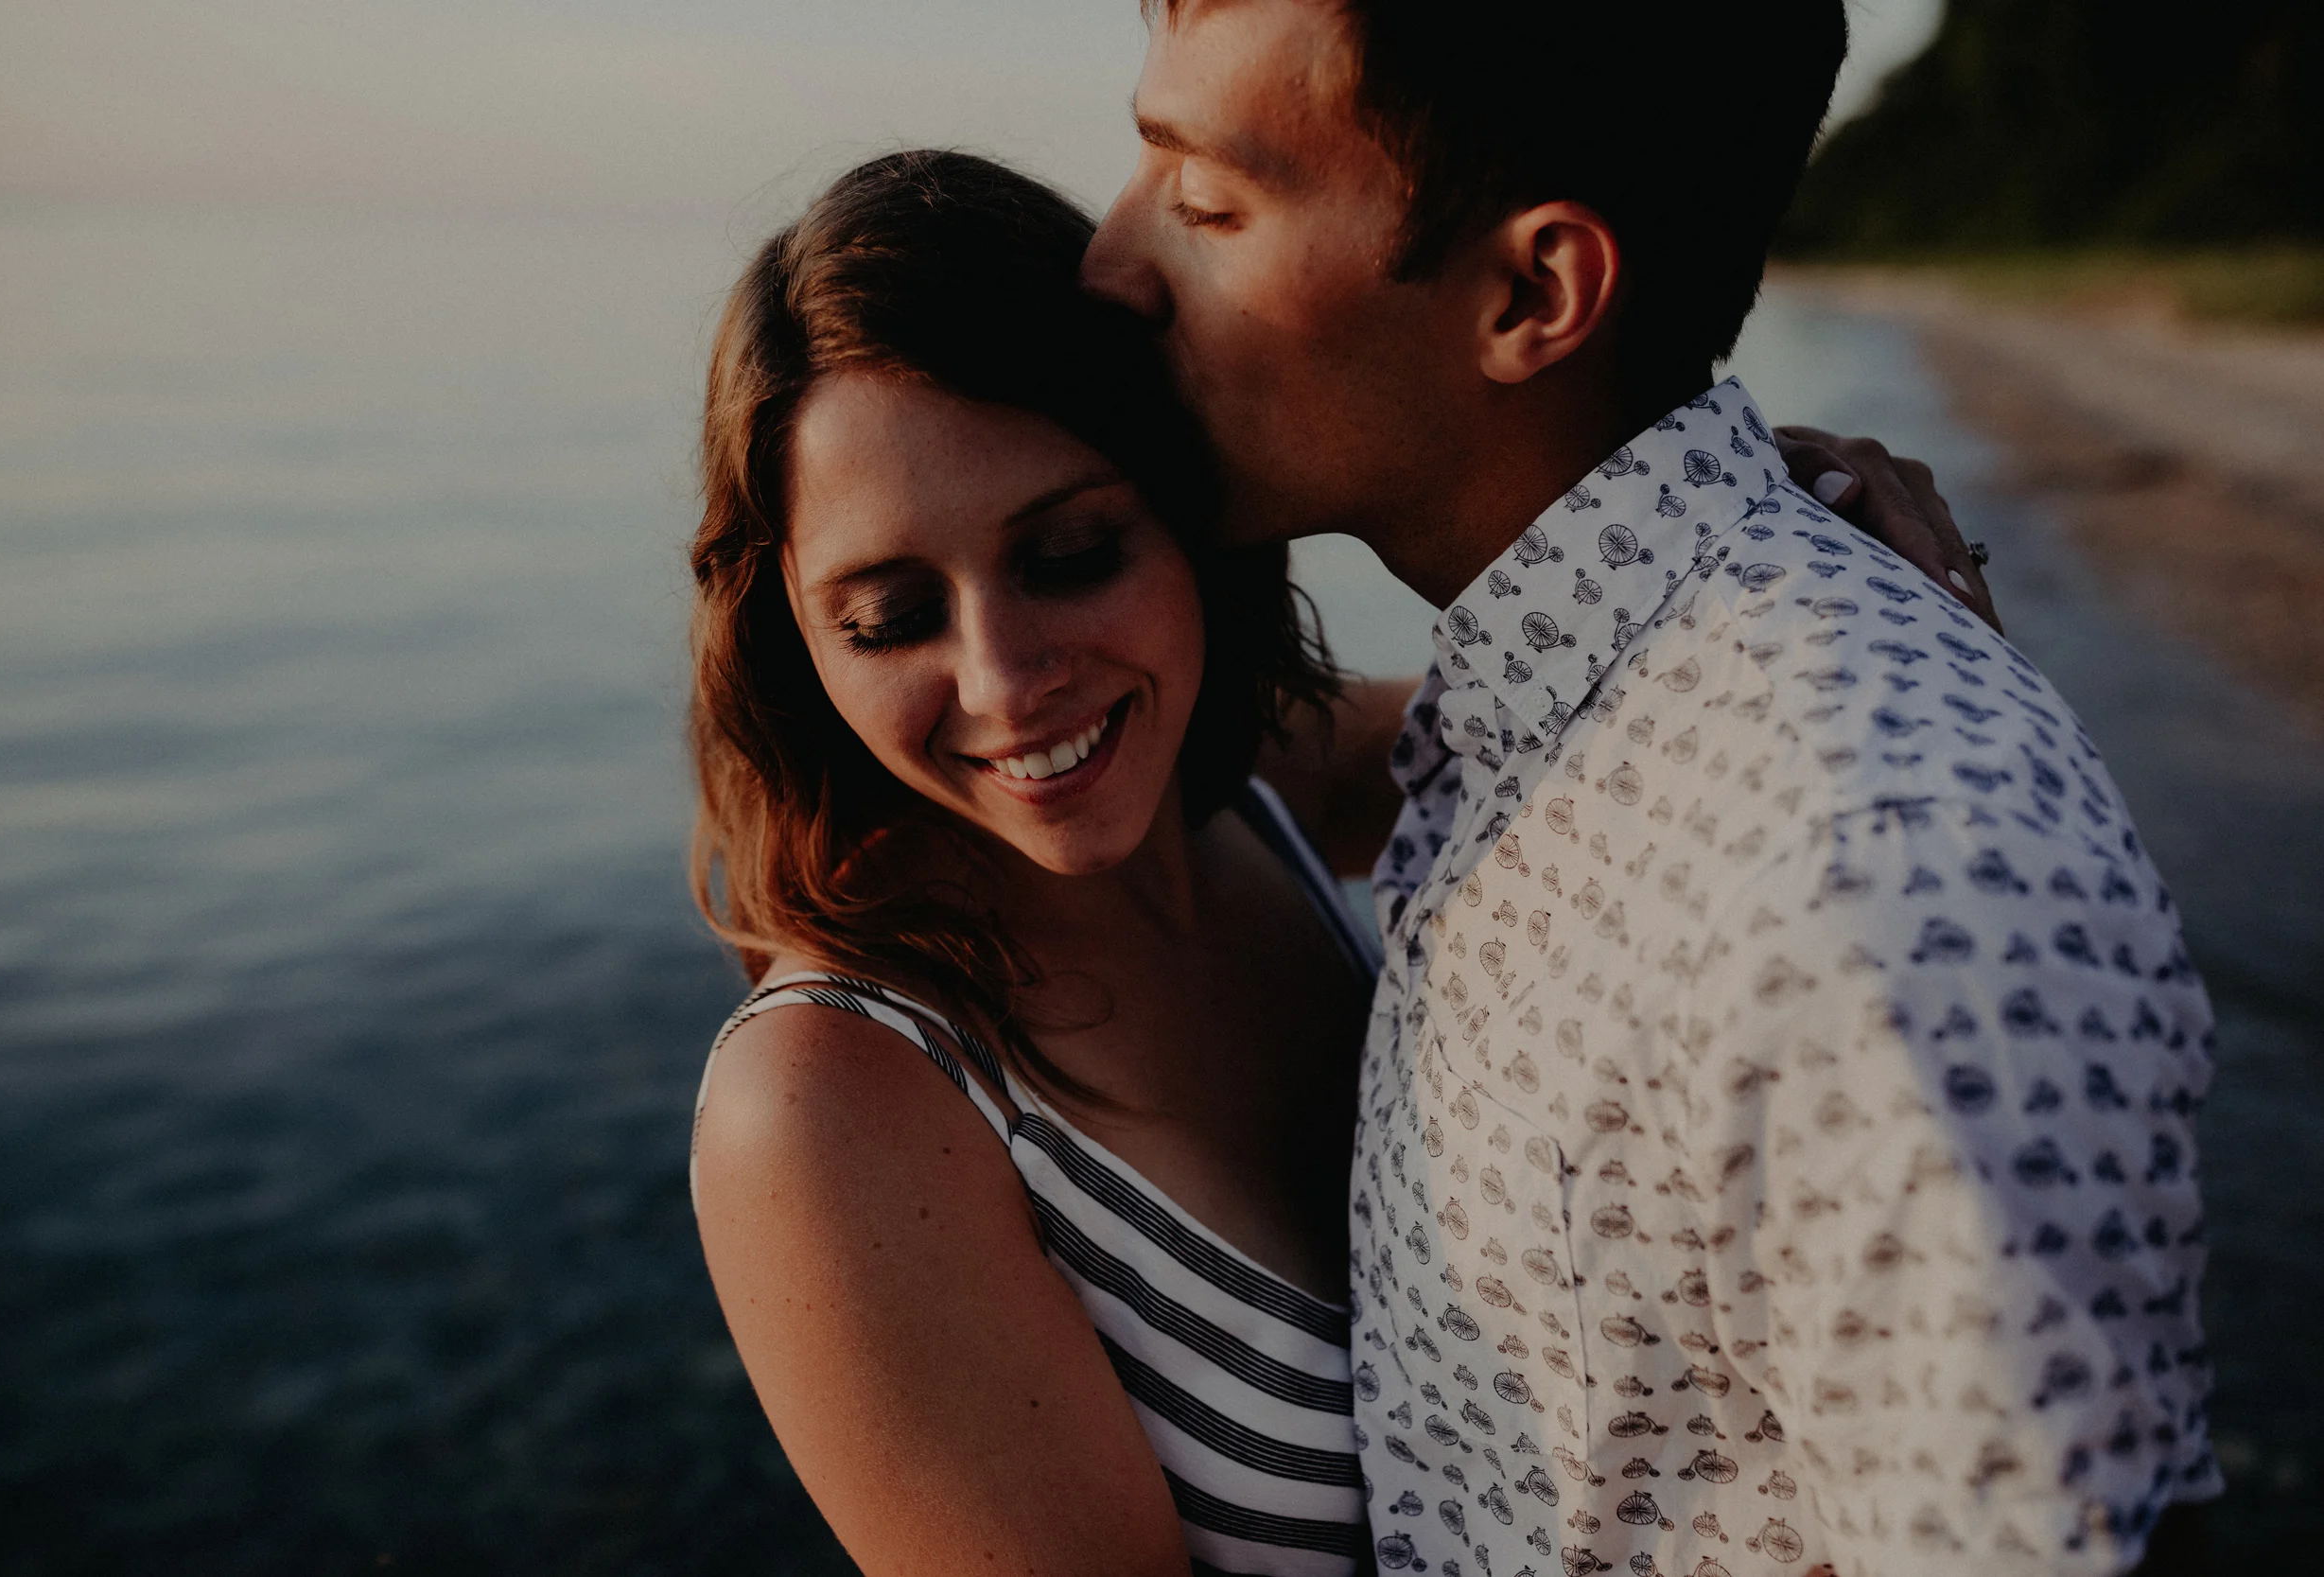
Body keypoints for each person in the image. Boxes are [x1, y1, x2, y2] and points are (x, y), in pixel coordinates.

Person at [685, 146, 1981, 1576]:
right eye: (889, 616)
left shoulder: (1245, 781)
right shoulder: (826, 1105)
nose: (1002, 681)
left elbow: (1613, 685)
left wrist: (1790, 522)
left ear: (1189, 510)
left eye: (1070, 552)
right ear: (794, 640)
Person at [1075, 3, 2216, 1576]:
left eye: (1207, 206)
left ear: (1535, 293)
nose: (1107, 266)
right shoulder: (1556, 704)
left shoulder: (1860, 876)